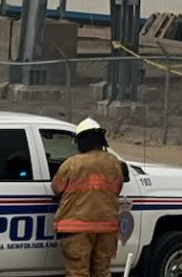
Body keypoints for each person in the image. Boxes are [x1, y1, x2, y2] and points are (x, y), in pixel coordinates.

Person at [51, 117, 129, 277]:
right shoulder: (114, 163)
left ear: (81, 141)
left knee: (78, 272)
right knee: (102, 270)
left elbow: (57, 187)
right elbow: (117, 188)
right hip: (107, 226)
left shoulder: (72, 164)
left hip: (77, 227)